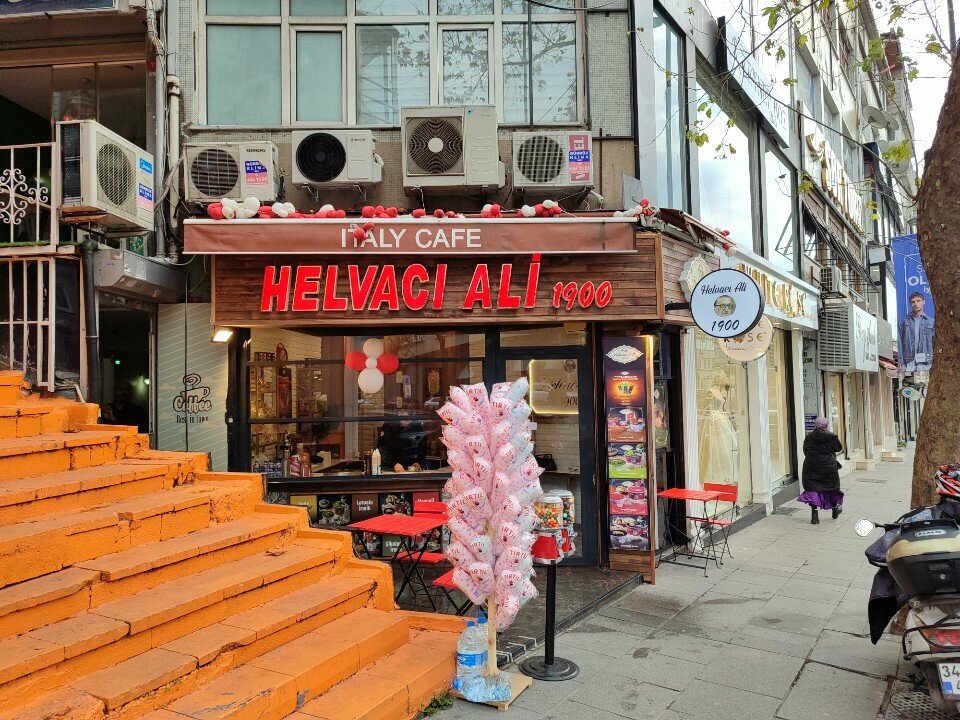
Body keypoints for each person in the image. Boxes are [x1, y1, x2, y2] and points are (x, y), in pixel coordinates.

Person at [798, 416, 844, 525]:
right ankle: (834, 509)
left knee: (813, 489)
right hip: (828, 467)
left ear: (815, 425)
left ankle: (815, 516)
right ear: (826, 425)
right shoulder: (831, 437)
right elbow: (839, 448)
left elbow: (805, 450)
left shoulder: (809, 437)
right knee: (831, 488)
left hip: (811, 466)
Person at [898, 291, 934, 372]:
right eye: (913, 302)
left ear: (923, 302)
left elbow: (935, 342)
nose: (915, 304)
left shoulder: (931, 322)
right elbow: (899, 342)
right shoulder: (903, 321)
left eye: (918, 301)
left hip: (927, 362)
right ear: (910, 304)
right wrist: (900, 360)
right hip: (909, 363)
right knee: (908, 384)